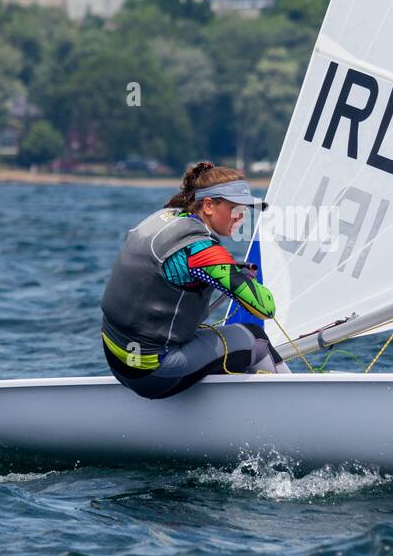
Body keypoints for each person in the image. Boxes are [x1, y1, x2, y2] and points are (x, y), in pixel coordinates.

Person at [100, 162, 291, 399]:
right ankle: (293, 408)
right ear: (209, 205)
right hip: (152, 374)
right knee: (255, 338)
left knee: (209, 339)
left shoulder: (164, 217)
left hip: (118, 360)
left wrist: (226, 270)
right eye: (235, 207)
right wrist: (236, 275)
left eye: (245, 209)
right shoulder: (203, 251)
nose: (241, 216)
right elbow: (265, 308)